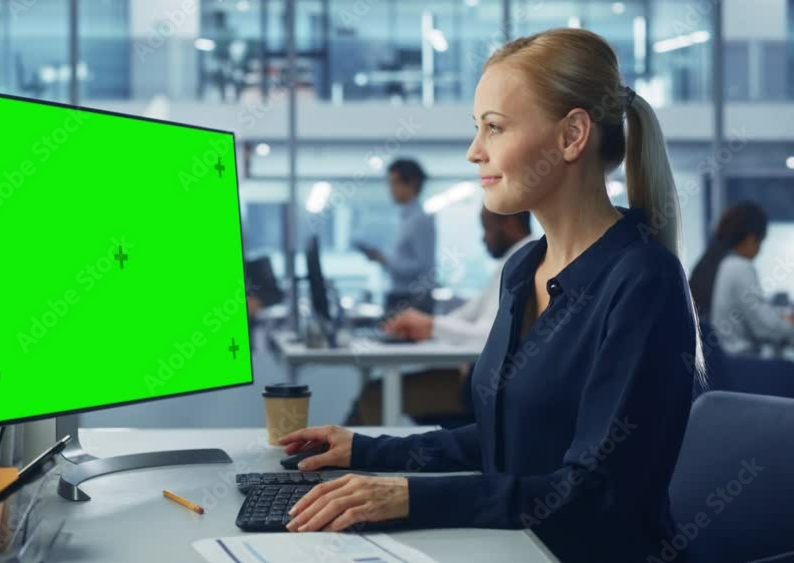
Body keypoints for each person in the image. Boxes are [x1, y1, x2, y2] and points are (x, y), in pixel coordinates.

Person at [277, 28, 703, 563]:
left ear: (572, 136)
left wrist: (409, 498)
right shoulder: (524, 267)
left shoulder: (644, 280)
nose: (474, 152)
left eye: (494, 128)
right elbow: (505, 439)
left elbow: (598, 495)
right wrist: (368, 451)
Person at [343, 207, 534, 426]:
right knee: (375, 391)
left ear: (510, 224)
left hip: (488, 385)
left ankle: (339, 455)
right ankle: (331, 452)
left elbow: (489, 336)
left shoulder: (524, 264)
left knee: (373, 396)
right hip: (477, 375)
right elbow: (468, 313)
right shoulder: (512, 261)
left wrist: (431, 326)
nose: (483, 238)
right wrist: (425, 327)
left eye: (487, 228)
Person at [689, 201, 794, 356]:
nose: (760, 249)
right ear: (750, 239)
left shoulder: (713, 263)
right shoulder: (738, 266)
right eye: (761, 241)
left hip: (721, 363)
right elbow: (763, 326)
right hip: (741, 364)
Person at [356, 159, 437, 314]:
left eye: (395, 183)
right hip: (402, 295)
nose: (391, 189)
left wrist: (386, 261)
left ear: (412, 183)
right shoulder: (405, 218)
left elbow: (423, 266)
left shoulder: (420, 220)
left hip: (413, 299)